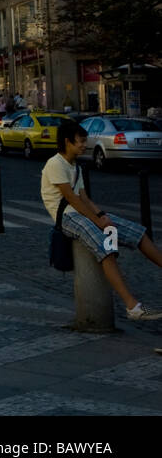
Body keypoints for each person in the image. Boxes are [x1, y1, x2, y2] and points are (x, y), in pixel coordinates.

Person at [43, 120, 162, 320]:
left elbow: (84, 198)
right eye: (81, 141)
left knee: (137, 233)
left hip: (82, 213)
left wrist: (102, 216)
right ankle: (133, 307)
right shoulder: (55, 164)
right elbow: (71, 199)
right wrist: (98, 223)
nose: (84, 145)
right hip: (67, 217)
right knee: (106, 248)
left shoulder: (76, 166)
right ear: (67, 142)